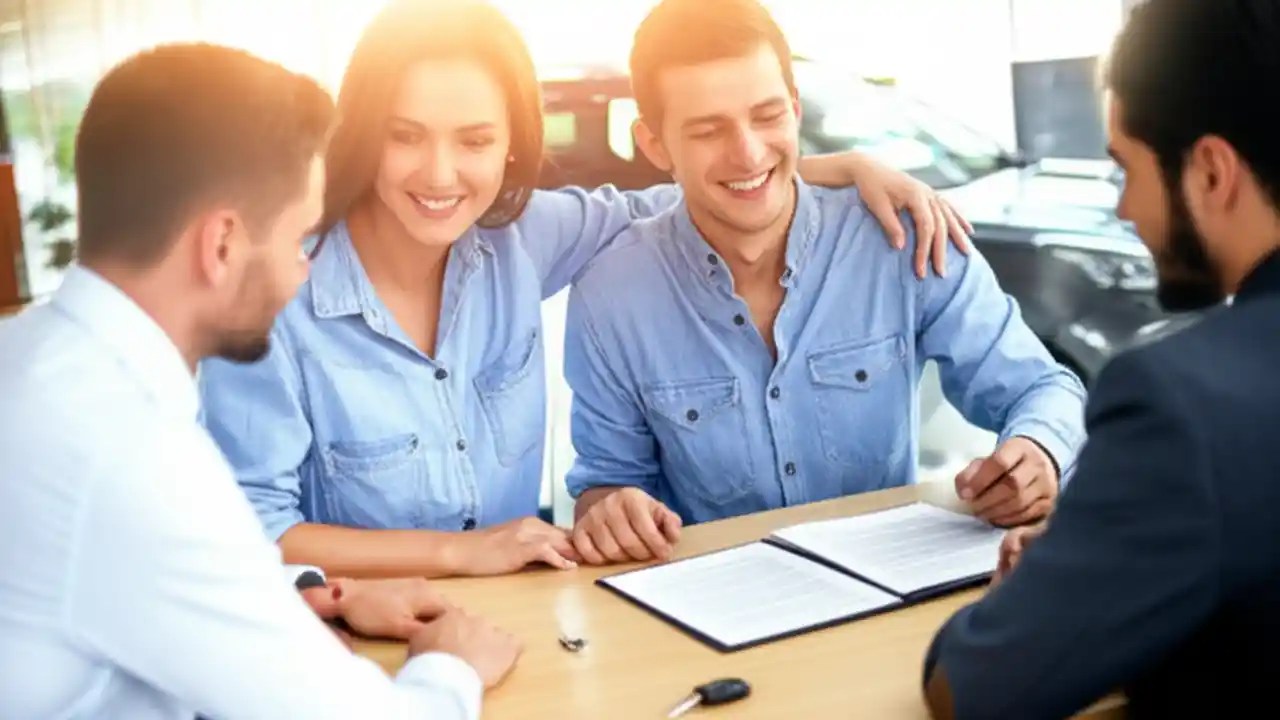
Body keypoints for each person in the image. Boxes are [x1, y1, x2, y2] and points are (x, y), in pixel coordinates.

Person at [196, 0, 975, 580]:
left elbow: (697, 187)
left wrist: (839, 170)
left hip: (514, 632)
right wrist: (462, 553)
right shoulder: (275, 292)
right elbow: (252, 531)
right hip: (344, 647)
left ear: (510, 148)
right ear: (363, 130)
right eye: (405, 136)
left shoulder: (520, 239)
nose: (439, 175)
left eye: (474, 140)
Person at [0, 43, 519, 720]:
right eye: (300, 239)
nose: (305, 271)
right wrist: (452, 664)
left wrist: (314, 588)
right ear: (220, 246)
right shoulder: (132, 456)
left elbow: (130, 571)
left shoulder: (31, 358)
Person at [561, 0, 1087, 565]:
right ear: (655, 145)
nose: (749, 153)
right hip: (718, 614)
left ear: (792, 108)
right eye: (709, 130)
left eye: (767, 116)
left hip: (891, 593)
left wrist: (1038, 452)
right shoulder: (611, 294)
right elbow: (607, 483)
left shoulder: (902, 238)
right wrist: (611, 510)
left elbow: (1045, 389)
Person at [923, 1, 1280, 717]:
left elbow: (971, 687)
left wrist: (1062, 581)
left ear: (1211, 172)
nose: (1124, 210)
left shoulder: (1184, 406)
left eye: (1126, 169)